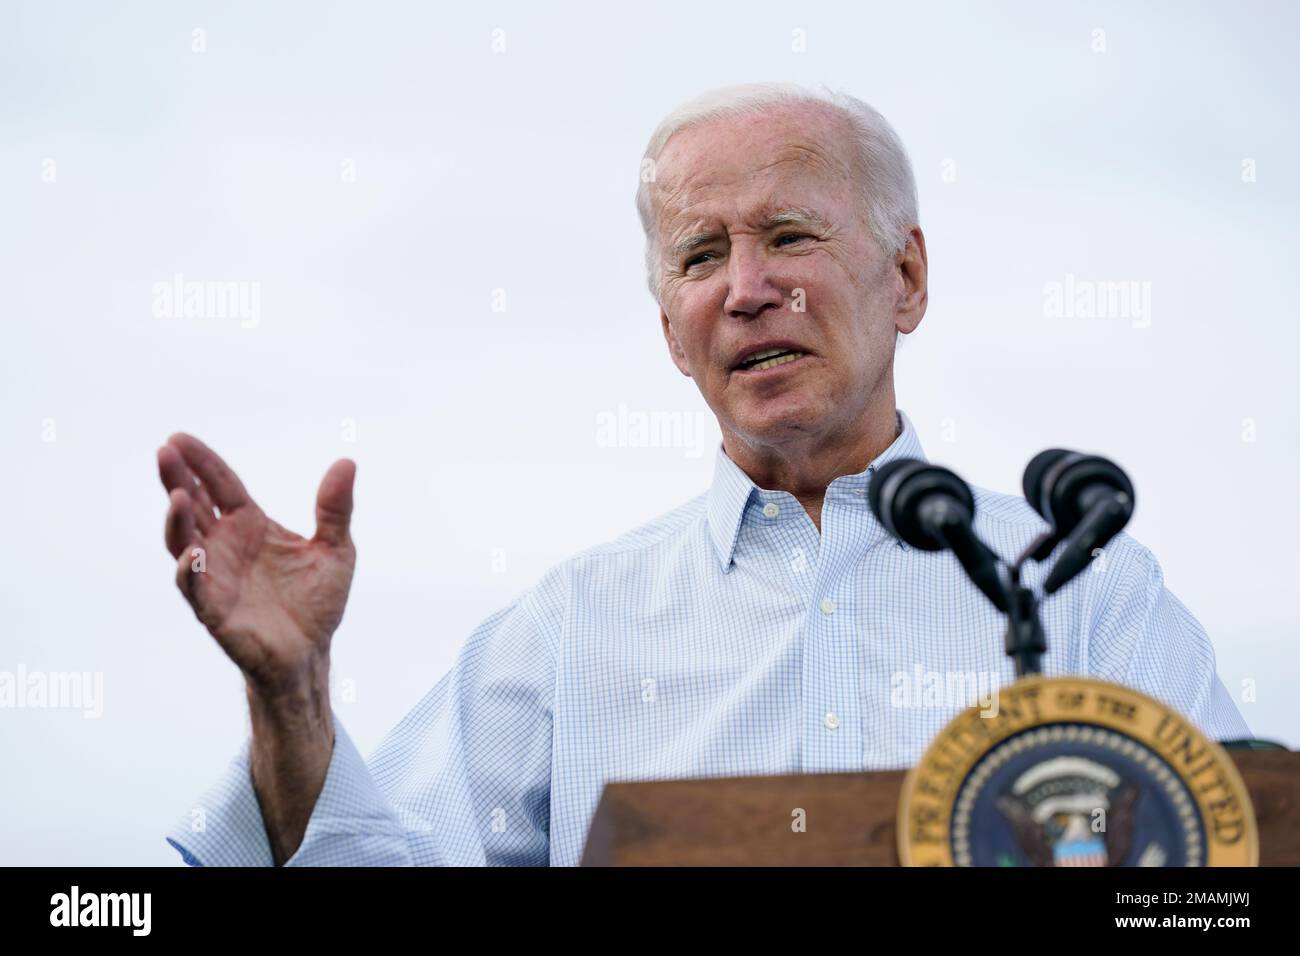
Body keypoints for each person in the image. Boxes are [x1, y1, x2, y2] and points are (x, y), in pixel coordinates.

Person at [158, 82, 1248, 867]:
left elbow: (1231, 870)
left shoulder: (1080, 587)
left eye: (786, 234)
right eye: (697, 256)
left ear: (904, 276)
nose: (745, 288)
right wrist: (288, 692)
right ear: (672, 333)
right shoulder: (573, 626)